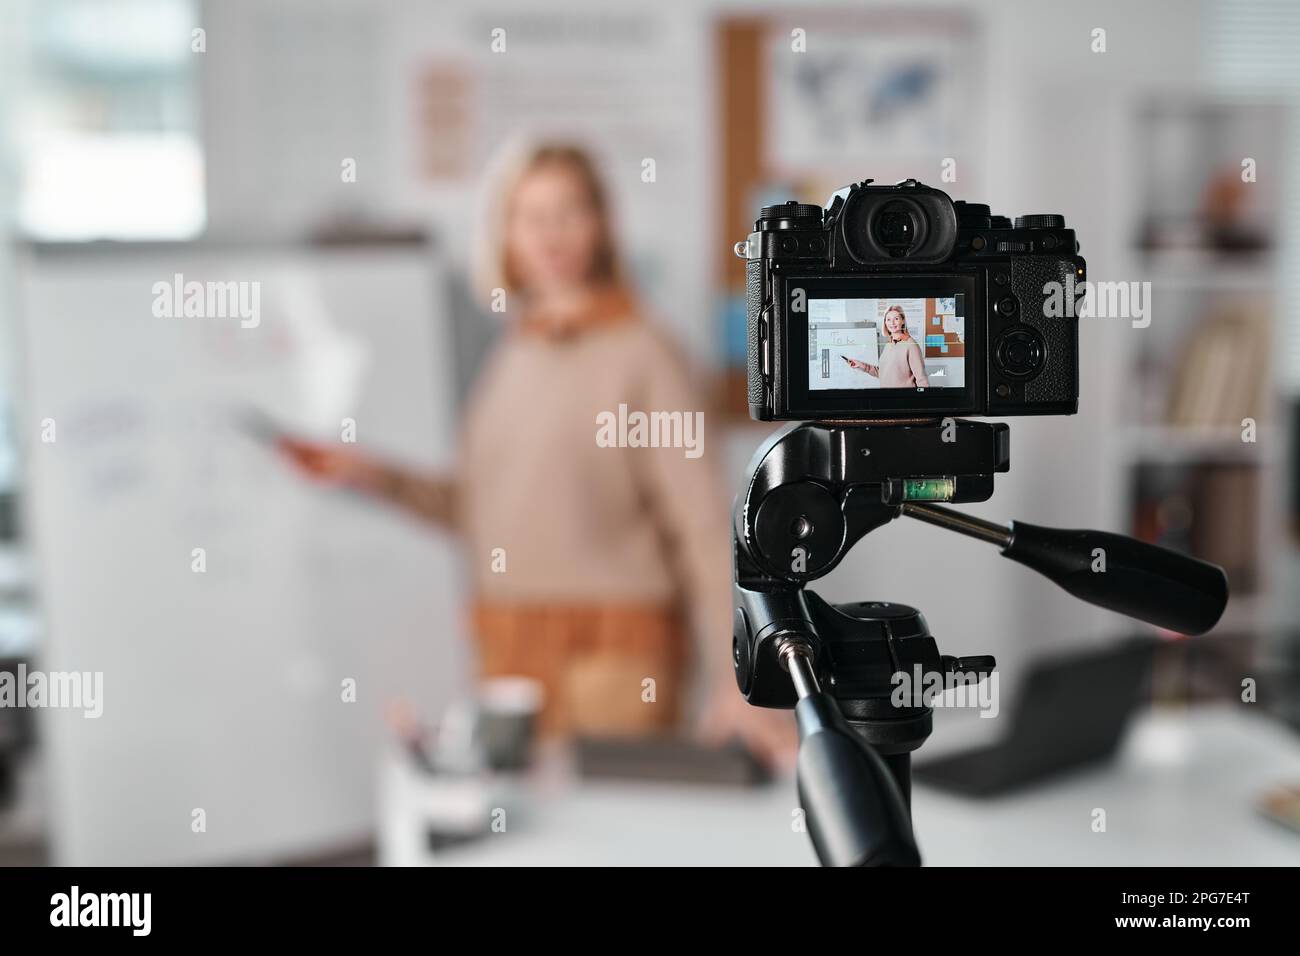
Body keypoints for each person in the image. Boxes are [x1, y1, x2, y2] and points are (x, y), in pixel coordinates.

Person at [277, 142, 791, 761]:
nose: (550, 235)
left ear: (602, 225)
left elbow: (708, 532)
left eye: (569, 212)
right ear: (506, 233)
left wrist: (744, 682)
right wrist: (374, 476)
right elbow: (480, 510)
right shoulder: (514, 352)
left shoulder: (646, 353)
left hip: (615, 662)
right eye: (531, 216)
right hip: (508, 653)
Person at [846, 304, 930, 387]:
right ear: (885, 323)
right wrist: (861, 365)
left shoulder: (911, 345)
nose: (892, 323)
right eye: (888, 319)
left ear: (903, 321)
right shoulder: (889, 344)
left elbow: (921, 379)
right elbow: (882, 373)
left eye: (896, 319)